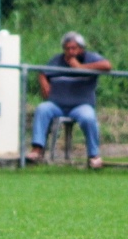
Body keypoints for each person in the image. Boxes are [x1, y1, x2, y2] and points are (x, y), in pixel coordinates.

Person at [26, 31, 112, 169]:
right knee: (43, 109)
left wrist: (80, 68)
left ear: (81, 48)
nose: (70, 52)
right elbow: (43, 71)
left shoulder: (90, 58)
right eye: (67, 48)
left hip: (81, 106)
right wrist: (44, 82)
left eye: (74, 48)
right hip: (57, 104)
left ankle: (94, 156)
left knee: (89, 117)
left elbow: (107, 66)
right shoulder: (57, 60)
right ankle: (37, 150)